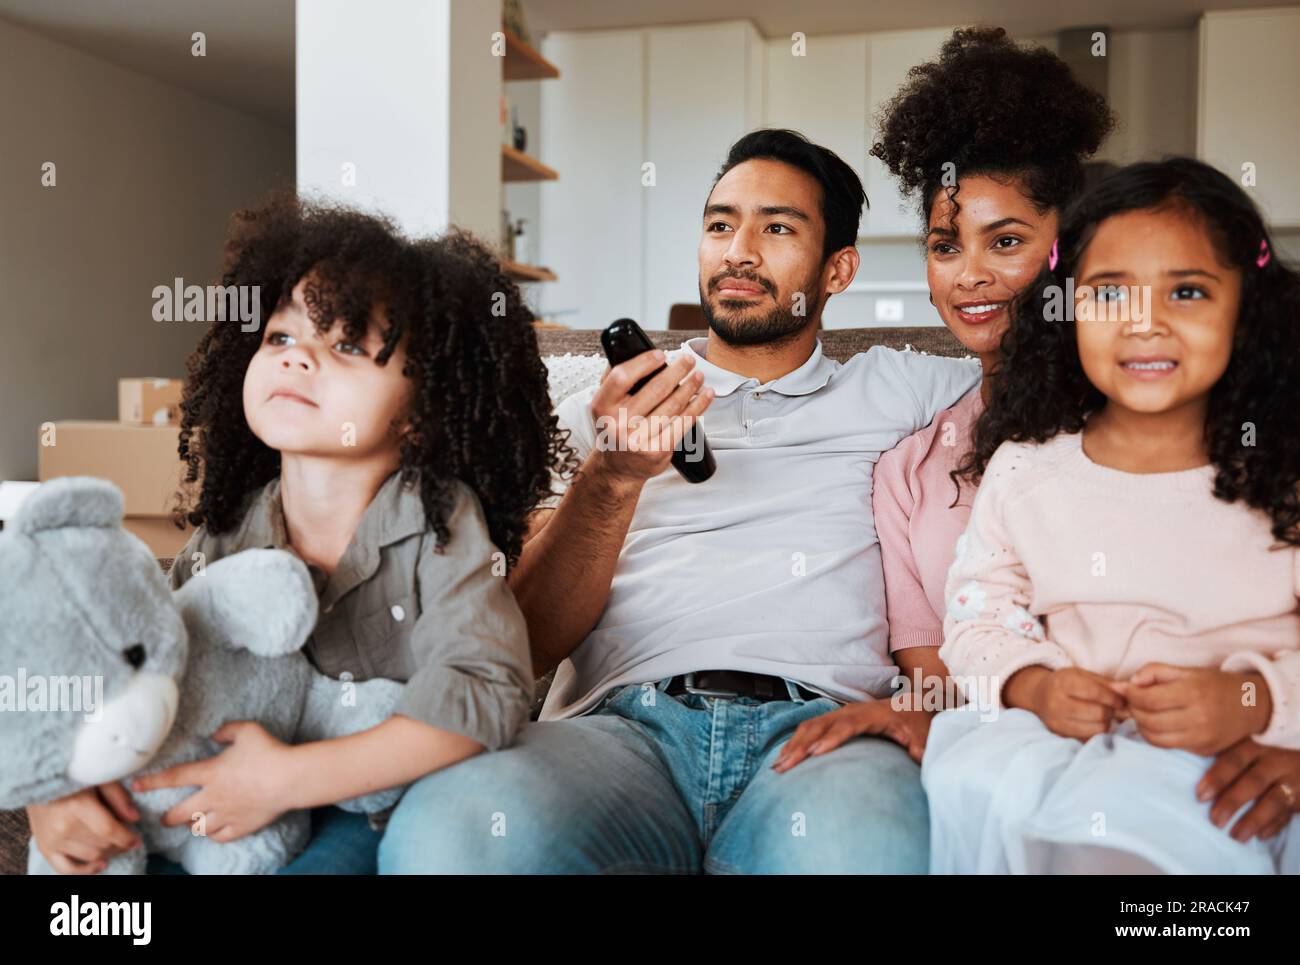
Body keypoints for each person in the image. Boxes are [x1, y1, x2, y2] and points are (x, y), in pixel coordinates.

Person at [377, 128, 980, 874]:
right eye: (720, 224)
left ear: (839, 268)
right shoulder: (608, 409)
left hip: (823, 734)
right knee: (451, 832)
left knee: (871, 851)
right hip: (620, 732)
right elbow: (526, 638)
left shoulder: (905, 387)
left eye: (778, 227)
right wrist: (615, 475)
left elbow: (1059, 372)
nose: (739, 252)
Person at [25, 193, 557, 874]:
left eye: (344, 344)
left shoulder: (439, 520)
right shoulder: (230, 531)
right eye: (280, 336)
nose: (297, 358)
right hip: (213, 806)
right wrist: (55, 792)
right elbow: (125, 664)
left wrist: (282, 781)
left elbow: (488, 690)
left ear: (421, 412)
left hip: (365, 809)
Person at [925, 157, 1300, 873]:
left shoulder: (1282, 473)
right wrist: (1031, 684)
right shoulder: (1027, 468)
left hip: (1237, 763)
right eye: (1108, 294)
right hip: (1056, 753)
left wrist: (1253, 699)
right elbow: (975, 617)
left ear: (1245, 310)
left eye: (1186, 291)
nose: (1144, 322)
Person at [777, 25, 1114, 766]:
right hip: (990, 760)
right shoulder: (908, 469)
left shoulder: (1135, 425)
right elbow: (929, 671)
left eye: (1005, 241)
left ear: (1069, 248)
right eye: (944, 244)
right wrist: (925, 723)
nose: (968, 276)